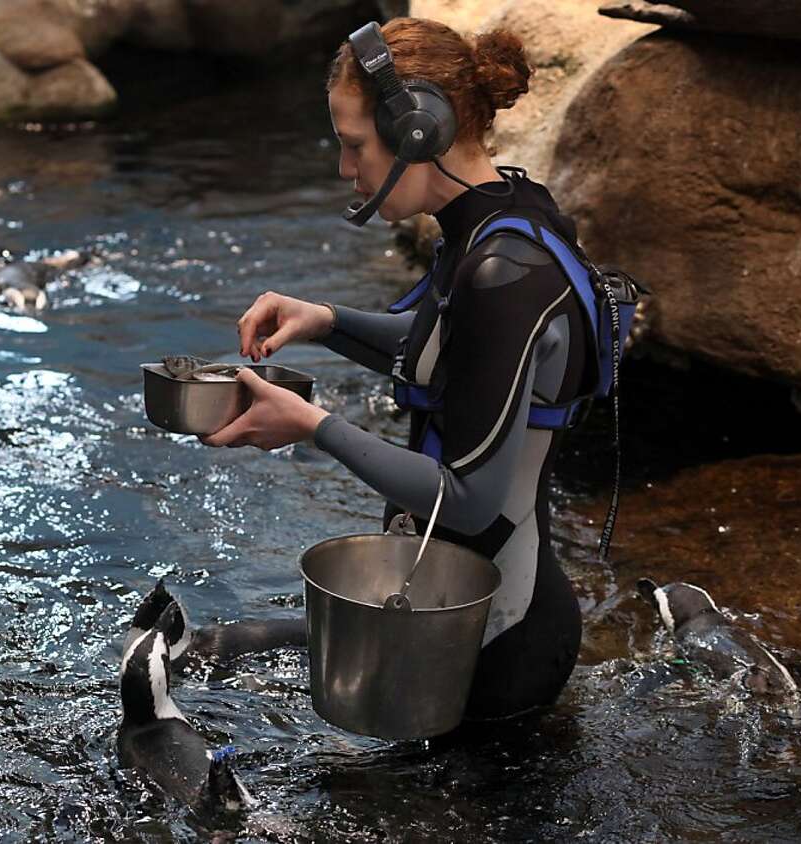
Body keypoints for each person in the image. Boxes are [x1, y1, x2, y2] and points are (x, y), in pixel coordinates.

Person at [202, 17, 586, 720]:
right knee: (216, 646)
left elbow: (467, 495)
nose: (347, 172)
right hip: (442, 612)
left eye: (354, 148)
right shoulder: (500, 218)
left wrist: (313, 426)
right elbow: (456, 350)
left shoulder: (507, 271)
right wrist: (327, 321)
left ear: (420, 131)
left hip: (496, 643)